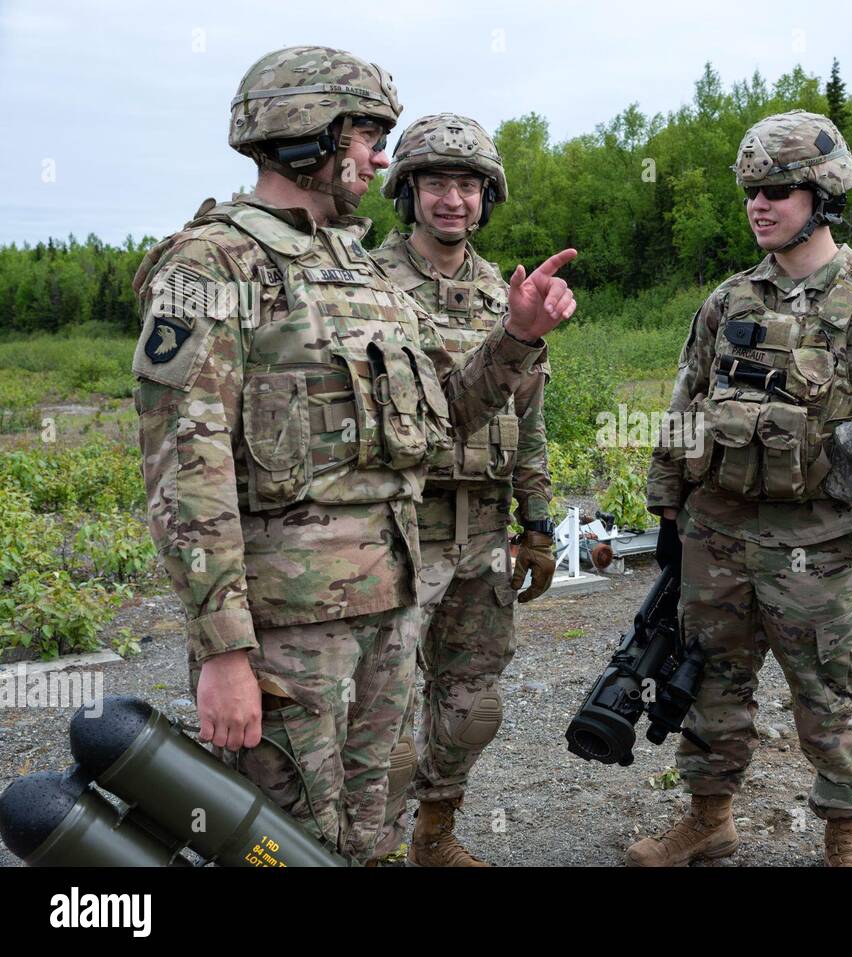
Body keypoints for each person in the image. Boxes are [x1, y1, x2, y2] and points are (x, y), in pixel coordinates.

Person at [131, 46, 575, 864]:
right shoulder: (214, 264)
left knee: (371, 837)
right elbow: (185, 475)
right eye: (365, 136)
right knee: (283, 843)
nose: (378, 158)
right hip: (287, 636)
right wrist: (224, 651)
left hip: (387, 614)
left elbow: (439, 421)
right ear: (306, 133)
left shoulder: (355, 271)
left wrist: (516, 338)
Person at [636, 110, 852, 867]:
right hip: (717, 531)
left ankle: (845, 838)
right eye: (751, 191)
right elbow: (685, 407)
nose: (758, 205)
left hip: (818, 542)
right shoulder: (729, 300)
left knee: (832, 692)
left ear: (824, 195)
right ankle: (709, 819)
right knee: (709, 679)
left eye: (778, 189)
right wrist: (669, 510)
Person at [369, 114, 554, 866]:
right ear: (407, 193)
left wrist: (537, 522)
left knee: (473, 706)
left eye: (468, 184)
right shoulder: (366, 283)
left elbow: (531, 419)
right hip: (396, 527)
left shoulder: (504, 291)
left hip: (481, 528)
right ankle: (365, 848)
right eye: (437, 183)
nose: (453, 199)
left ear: (487, 196)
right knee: (379, 722)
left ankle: (434, 836)